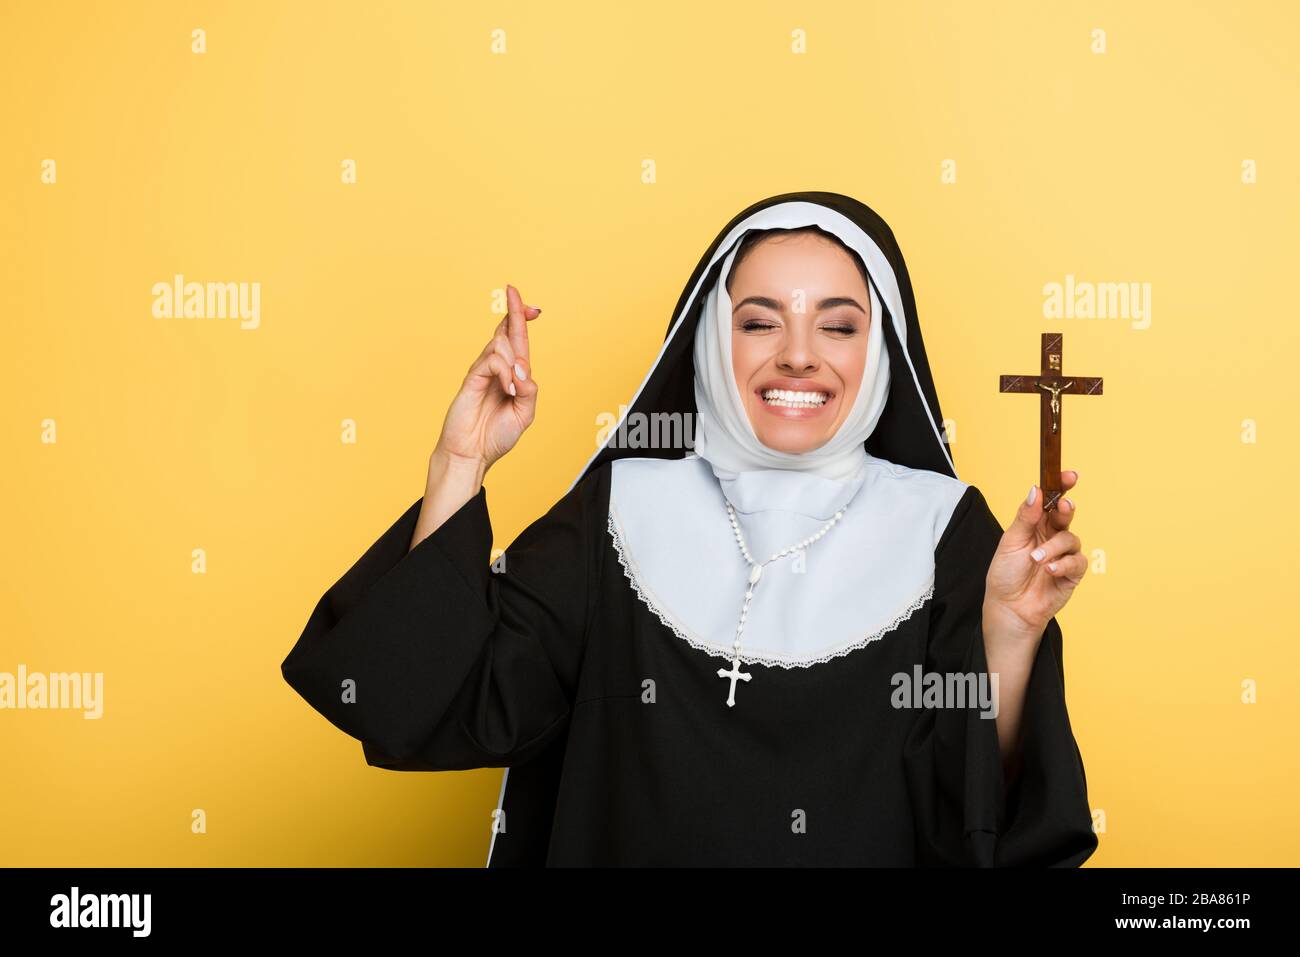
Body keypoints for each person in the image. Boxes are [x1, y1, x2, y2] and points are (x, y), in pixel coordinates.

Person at [281, 190, 1099, 867]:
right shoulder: (618, 512)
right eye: (760, 321)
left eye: (839, 325)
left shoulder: (942, 528)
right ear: (713, 338)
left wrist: (1011, 634)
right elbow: (427, 699)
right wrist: (460, 462)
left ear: (879, 348)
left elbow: (980, 818)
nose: (800, 355)